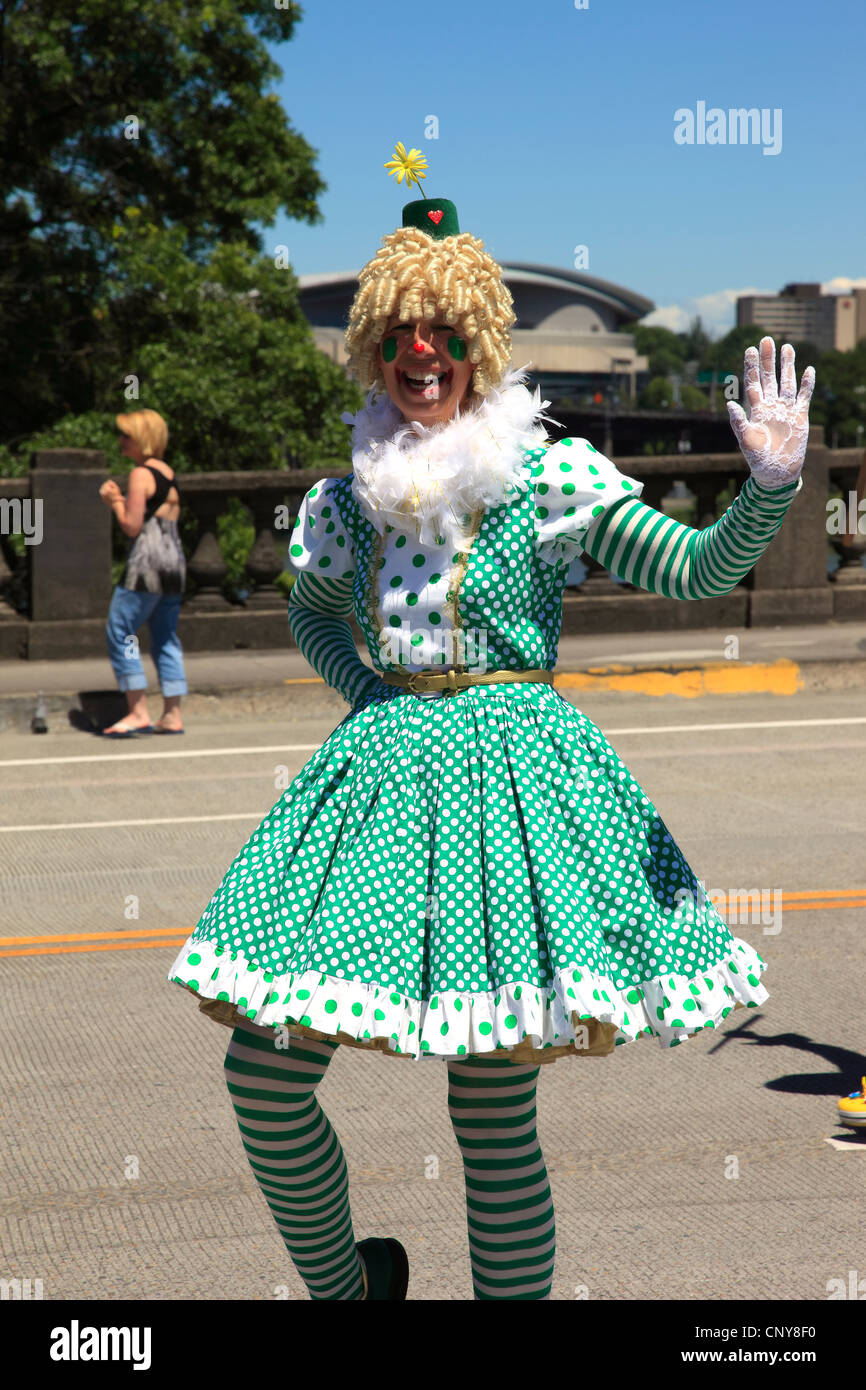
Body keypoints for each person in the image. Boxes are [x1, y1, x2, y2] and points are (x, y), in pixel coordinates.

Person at [168, 158, 815, 1299]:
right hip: (373, 791)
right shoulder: (346, 495)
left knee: (489, 1105)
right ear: (373, 349)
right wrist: (373, 701)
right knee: (263, 1078)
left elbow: (686, 572)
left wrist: (763, 490)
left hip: (516, 793)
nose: (423, 356)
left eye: (445, 336)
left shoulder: (544, 471)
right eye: (401, 337)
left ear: (478, 346)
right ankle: (347, 1287)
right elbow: (315, 616)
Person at [99, 409, 187, 736]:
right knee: (165, 636)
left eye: (127, 435)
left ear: (142, 438)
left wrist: (114, 501)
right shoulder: (167, 470)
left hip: (147, 565)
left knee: (119, 629)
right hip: (174, 565)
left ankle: (137, 712)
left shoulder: (140, 474)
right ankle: (172, 714)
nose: (121, 441)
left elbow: (132, 526)